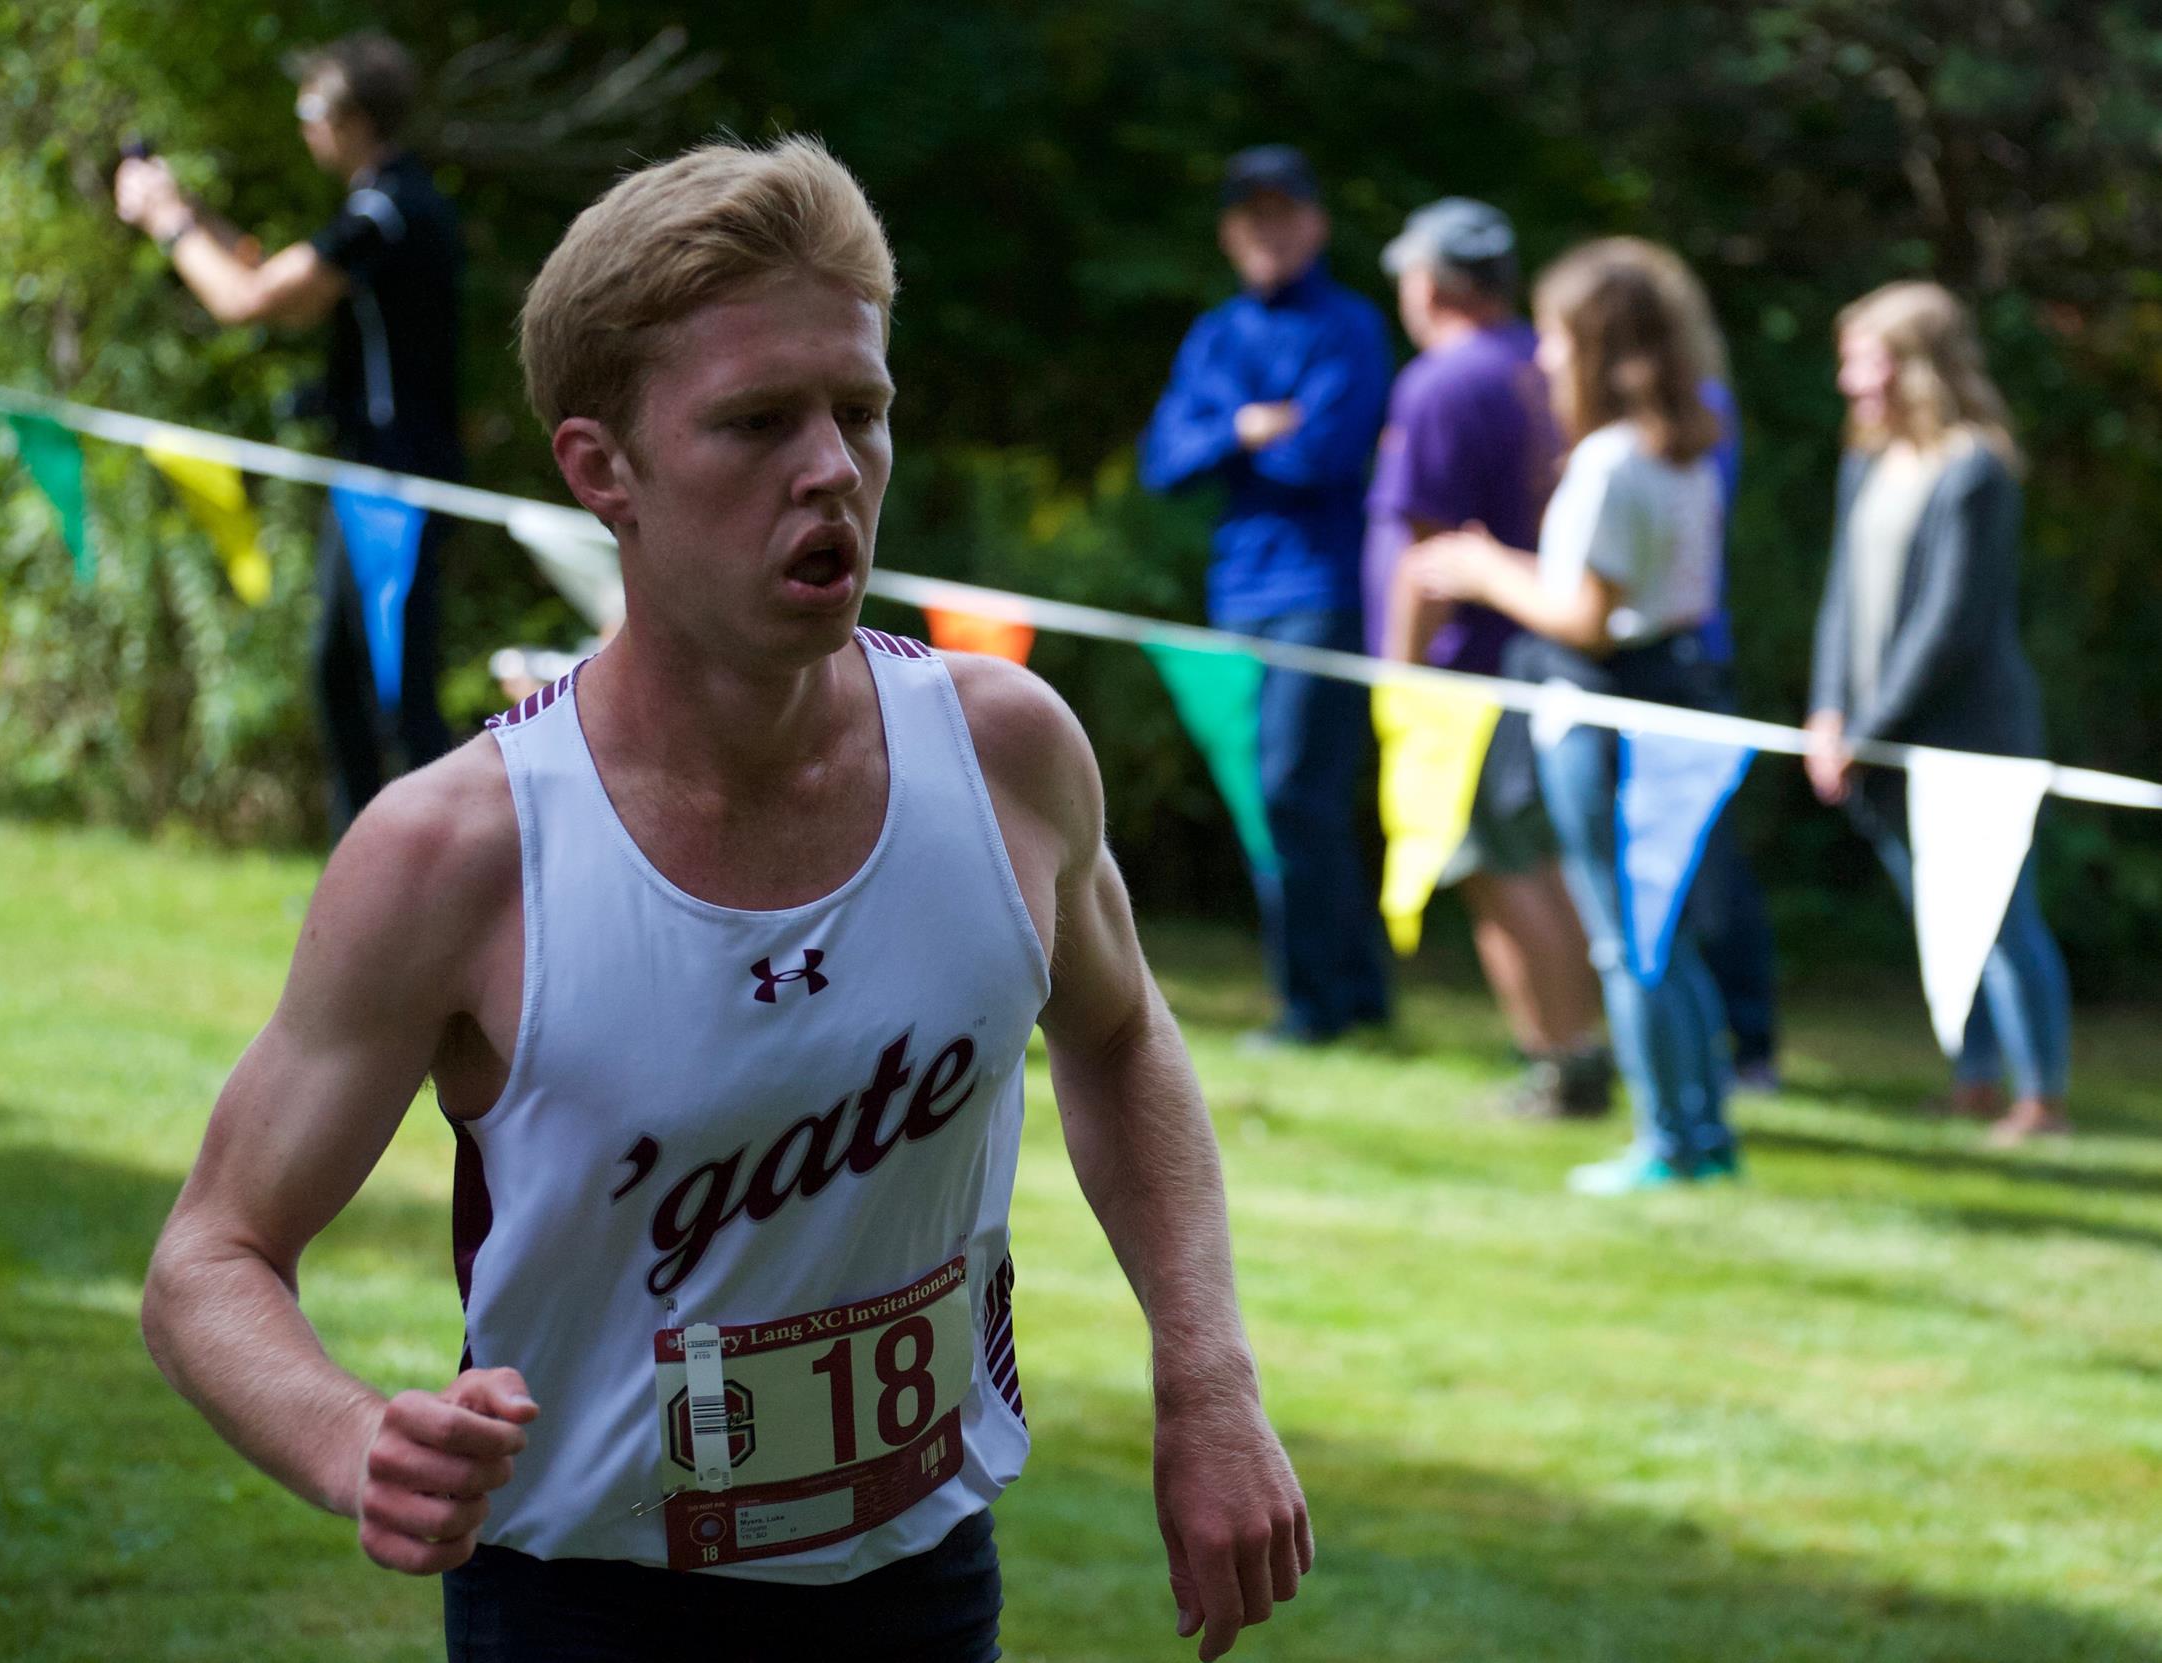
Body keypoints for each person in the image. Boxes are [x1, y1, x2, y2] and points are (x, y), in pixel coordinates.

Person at [140, 137, 1310, 1663]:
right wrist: (354, 1437)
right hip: (586, 1602)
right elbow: (207, 1259)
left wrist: (1207, 1377)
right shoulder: (460, 851)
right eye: (758, 420)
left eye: (862, 411)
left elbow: (1124, 1037)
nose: (832, 465)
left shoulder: (1007, 752)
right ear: (599, 469)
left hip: (925, 1576)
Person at [1410, 240, 1740, 1193]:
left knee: (1625, 934)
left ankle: (1672, 1141)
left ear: (1594, 344)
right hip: (1677, 697)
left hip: (1607, 714)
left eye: (1556, 337)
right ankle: (1702, 1131)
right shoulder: (1683, 452)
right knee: (1661, 928)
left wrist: (1481, 568)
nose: (1544, 359)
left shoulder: (1605, 461)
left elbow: (1586, 620)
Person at [115, 31, 463, 839]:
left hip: (397, 483)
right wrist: (195, 213)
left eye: (311, 108)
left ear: (354, 119)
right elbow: (285, 282)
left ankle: (426, 877)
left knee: (389, 689)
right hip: (373, 478)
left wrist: (167, 224)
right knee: (345, 678)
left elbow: (253, 301)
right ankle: (370, 869)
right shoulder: (383, 204)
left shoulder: (384, 211)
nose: (302, 124)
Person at [1141, 144, 1395, 1046]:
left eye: (1285, 213)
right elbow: (1164, 461)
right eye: (1252, 216)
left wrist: (1229, 435)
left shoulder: (1352, 326)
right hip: (1236, 595)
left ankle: (1314, 1004)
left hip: (1323, 588)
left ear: (1317, 224)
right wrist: (1248, 428)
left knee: (1293, 791)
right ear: (1229, 232)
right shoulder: (1215, 334)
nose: (1269, 231)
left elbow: (1322, 454)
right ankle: (1357, 994)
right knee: (1278, 795)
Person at [1806, 281, 2071, 1145]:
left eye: (1866, 359)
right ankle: (1976, 1079)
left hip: (1970, 740)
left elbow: (1947, 624)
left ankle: (2043, 1098)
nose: (1851, 381)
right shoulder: (1869, 459)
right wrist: (1828, 712)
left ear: (1917, 364)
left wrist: (1867, 731)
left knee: (1998, 914)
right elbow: (1844, 601)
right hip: (1877, 739)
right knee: (1939, 914)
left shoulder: (1977, 466)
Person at [1366, 198, 1609, 1119]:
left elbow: (1425, 557)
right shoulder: (1539, 364)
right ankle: (1556, 1052)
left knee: (1501, 864)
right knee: (1522, 859)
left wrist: (1400, 680)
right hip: (1542, 659)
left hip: (1467, 673)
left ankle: (1569, 1060)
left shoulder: (1442, 382)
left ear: (1429, 285)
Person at [1612, 240, 1784, 1092]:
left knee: (1706, 868)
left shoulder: (1694, 415)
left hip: (1681, 665)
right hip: (1641, 664)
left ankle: (1749, 1045)